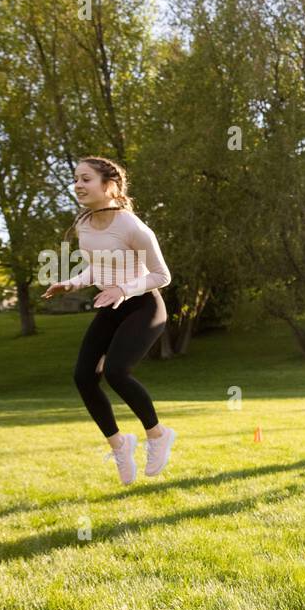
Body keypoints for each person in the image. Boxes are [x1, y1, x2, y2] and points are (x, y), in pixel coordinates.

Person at [44, 156, 175, 485]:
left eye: (86, 179)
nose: (77, 185)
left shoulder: (132, 226)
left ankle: (157, 434)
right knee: (83, 376)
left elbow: (162, 275)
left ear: (110, 185)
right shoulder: (85, 224)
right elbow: (97, 268)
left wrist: (123, 288)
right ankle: (119, 444)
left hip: (144, 304)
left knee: (116, 371)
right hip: (111, 304)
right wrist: (71, 283)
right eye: (75, 179)